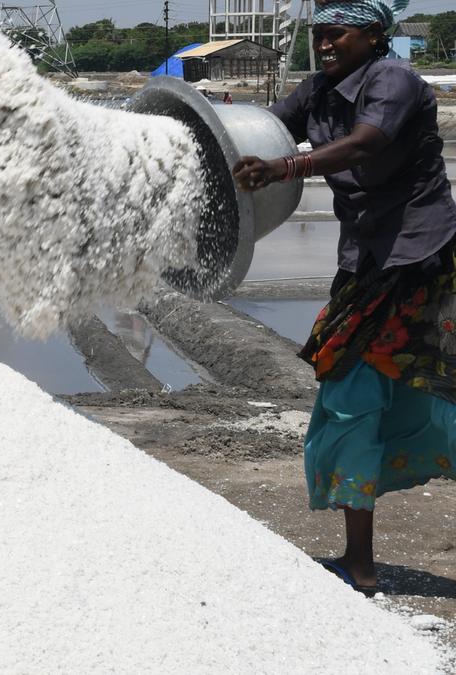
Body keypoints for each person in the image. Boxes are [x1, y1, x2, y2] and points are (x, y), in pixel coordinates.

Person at [232, 0, 456, 596]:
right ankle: (359, 563)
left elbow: (362, 145)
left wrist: (284, 167)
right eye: (319, 35)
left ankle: (360, 563)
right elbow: (264, 128)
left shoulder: (395, 81)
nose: (326, 44)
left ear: (374, 36)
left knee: (404, 394)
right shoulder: (318, 90)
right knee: (352, 397)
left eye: (338, 35)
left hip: (416, 263)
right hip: (364, 262)